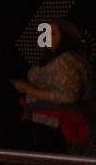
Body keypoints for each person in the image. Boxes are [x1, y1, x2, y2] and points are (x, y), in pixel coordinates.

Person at [13, 19, 95, 153]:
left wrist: (30, 90)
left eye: (53, 34)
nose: (48, 38)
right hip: (41, 123)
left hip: (56, 127)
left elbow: (68, 96)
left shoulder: (66, 60)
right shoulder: (47, 58)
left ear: (65, 36)